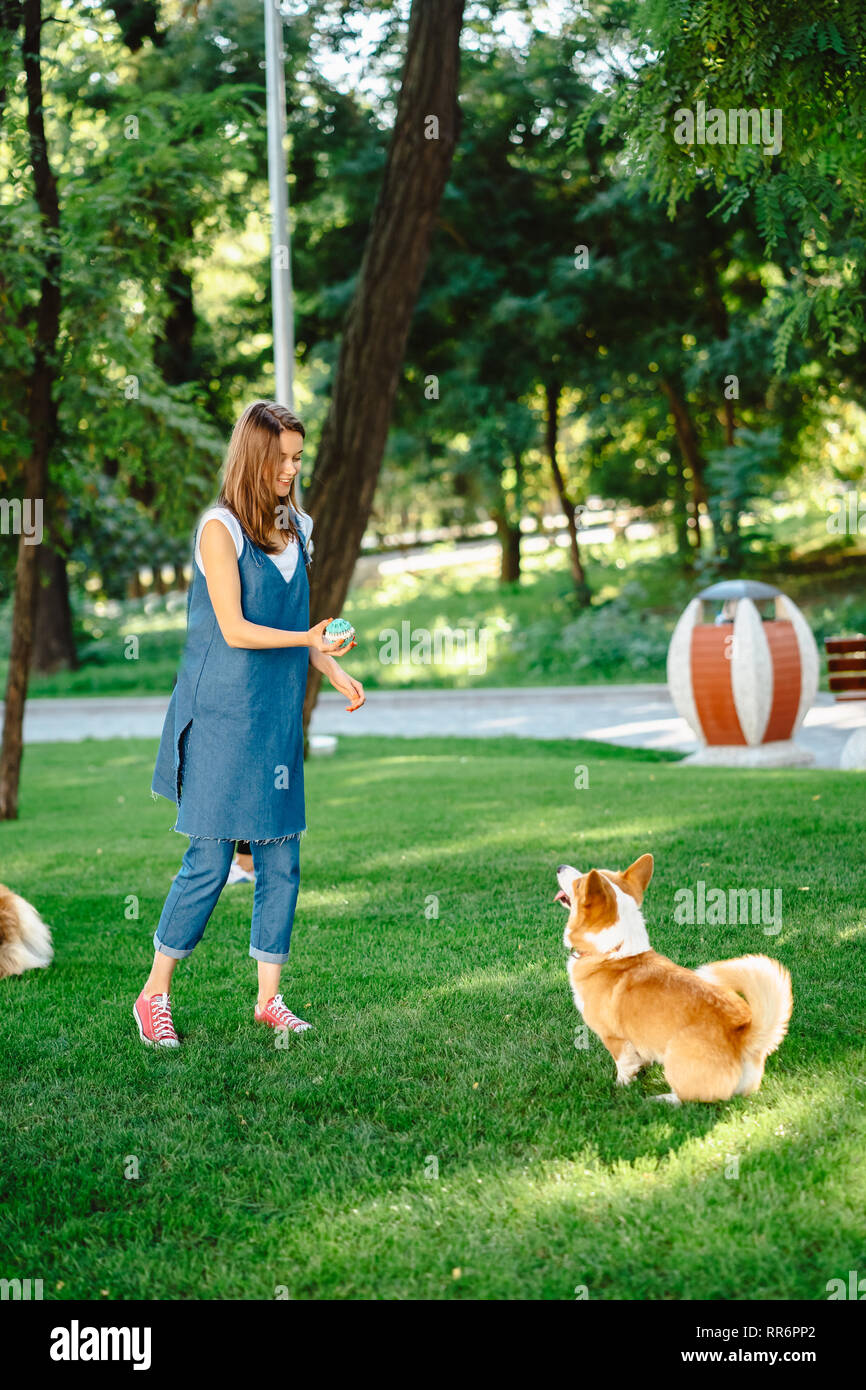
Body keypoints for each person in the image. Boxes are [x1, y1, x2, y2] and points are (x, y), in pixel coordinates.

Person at [134, 400, 364, 1048]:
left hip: (274, 720)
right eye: (282, 459)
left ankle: (269, 1000)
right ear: (254, 459)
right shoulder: (220, 529)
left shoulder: (300, 527)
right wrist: (307, 635)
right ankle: (154, 995)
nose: (292, 469)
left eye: (297, 458)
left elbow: (301, 626)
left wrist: (332, 668)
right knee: (208, 861)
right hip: (220, 717)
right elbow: (234, 628)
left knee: (281, 857)